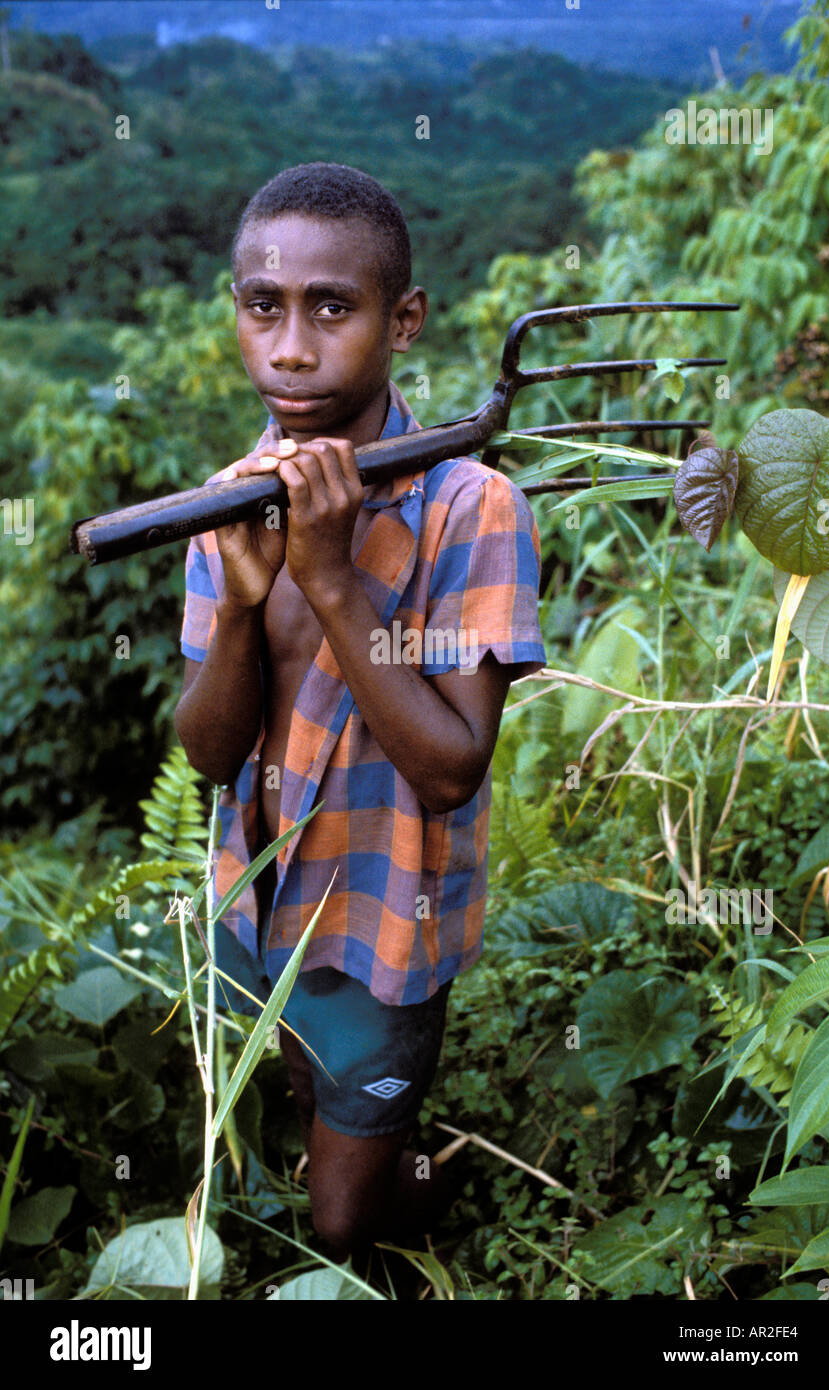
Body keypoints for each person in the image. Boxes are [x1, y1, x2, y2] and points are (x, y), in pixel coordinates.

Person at [174, 162, 546, 1268]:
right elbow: (205, 751)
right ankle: (375, 1136)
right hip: (259, 903)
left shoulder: (471, 510)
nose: (290, 349)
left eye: (331, 308)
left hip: (385, 926)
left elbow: (448, 768)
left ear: (403, 320)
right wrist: (245, 607)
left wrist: (331, 580)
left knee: (337, 1221)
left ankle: (412, 1192)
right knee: (303, 1076)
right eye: (262, 307)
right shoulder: (228, 500)